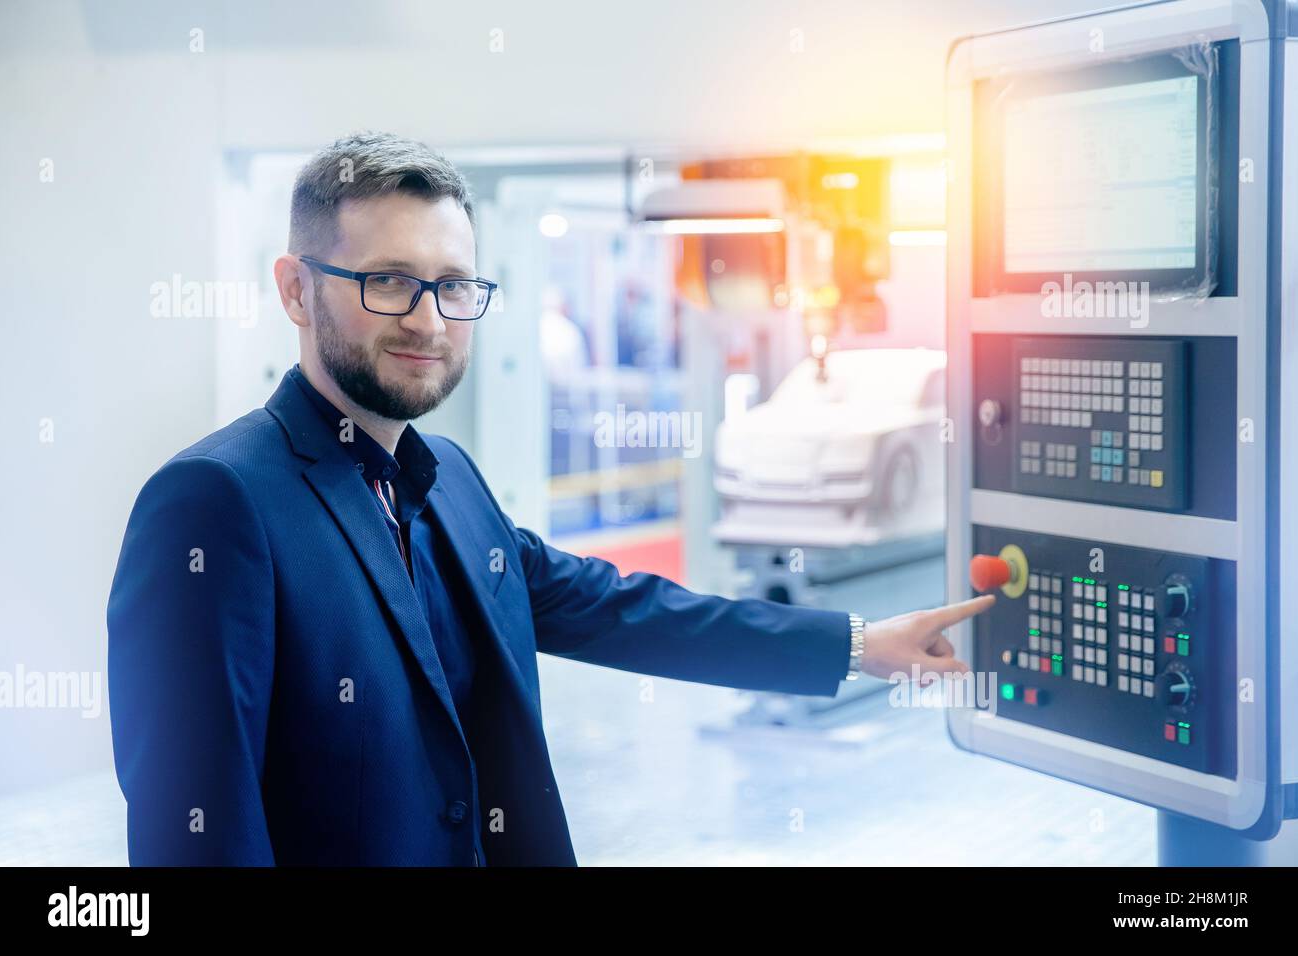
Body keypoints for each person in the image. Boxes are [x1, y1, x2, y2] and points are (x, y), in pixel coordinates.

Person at [106, 131, 994, 866]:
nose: (429, 320)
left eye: (453, 285)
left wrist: (857, 644)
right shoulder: (215, 505)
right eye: (388, 281)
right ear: (296, 291)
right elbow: (198, 838)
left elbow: (619, 610)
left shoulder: (446, 476)